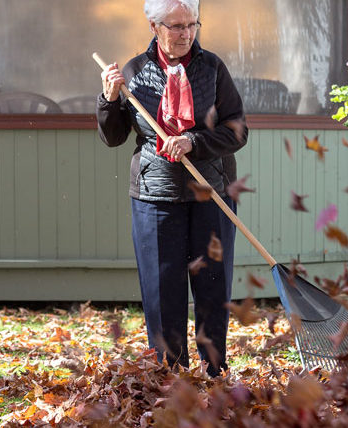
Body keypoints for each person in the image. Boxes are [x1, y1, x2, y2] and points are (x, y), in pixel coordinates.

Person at [96, 0, 247, 377]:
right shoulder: (135, 70)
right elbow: (113, 137)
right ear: (154, 26)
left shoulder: (212, 68)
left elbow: (237, 130)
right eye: (176, 26)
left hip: (210, 192)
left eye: (192, 24)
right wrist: (109, 99)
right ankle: (168, 375)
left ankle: (215, 371)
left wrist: (194, 141)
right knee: (163, 290)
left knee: (213, 286)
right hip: (155, 196)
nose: (186, 34)